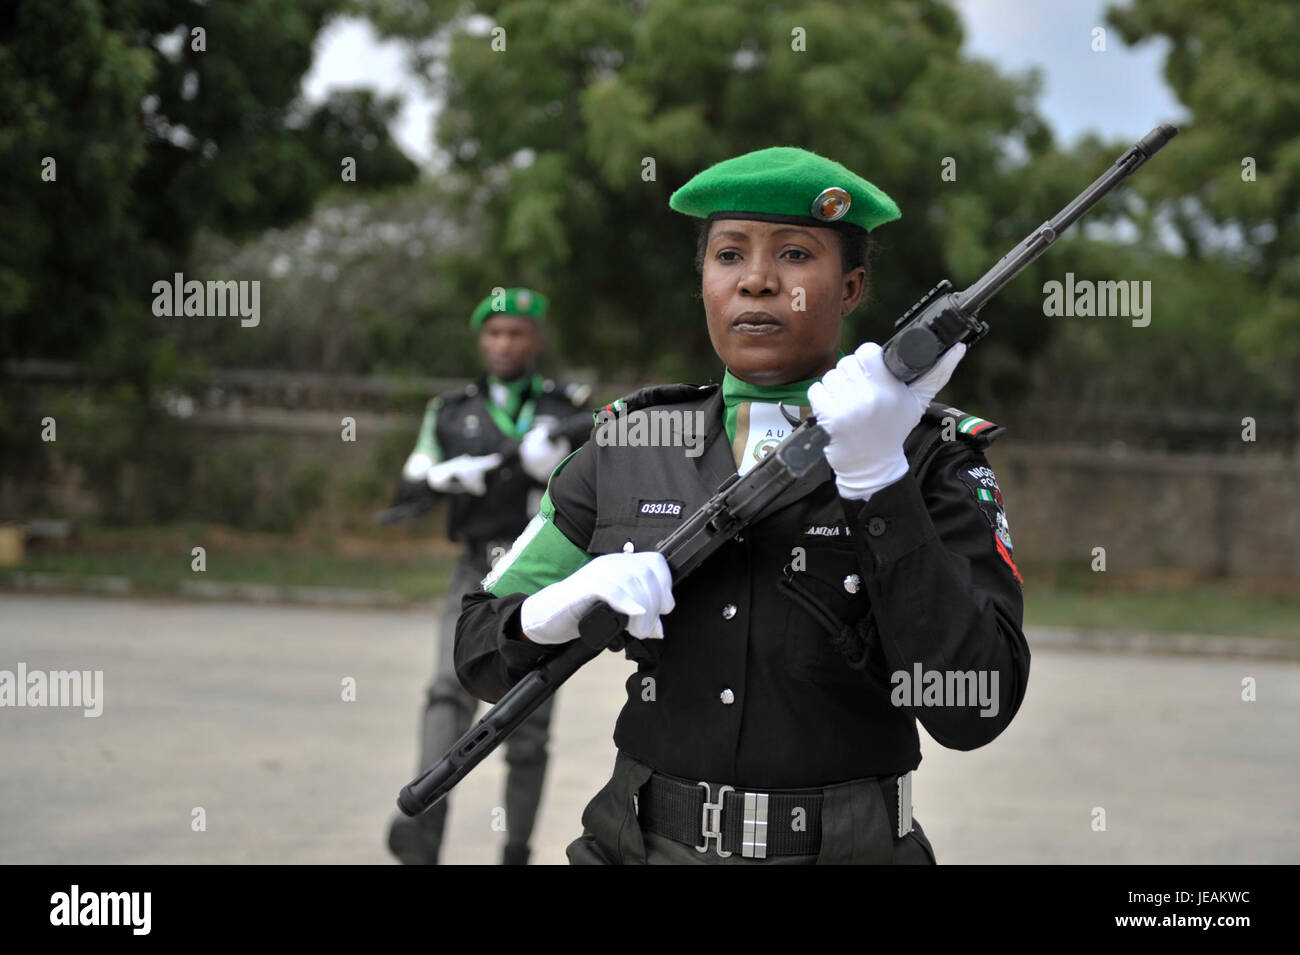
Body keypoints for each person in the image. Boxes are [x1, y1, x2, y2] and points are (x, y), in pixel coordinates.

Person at [454, 149, 1030, 864]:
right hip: (639, 845)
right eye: (729, 254)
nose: (757, 280)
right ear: (703, 282)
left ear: (851, 288)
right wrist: (556, 607)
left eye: (794, 253)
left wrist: (881, 480)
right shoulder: (629, 445)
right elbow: (479, 652)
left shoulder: (932, 456)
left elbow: (976, 708)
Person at [386, 287, 590, 865]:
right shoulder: (449, 411)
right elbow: (408, 485)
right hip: (476, 566)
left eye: (517, 332)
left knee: (530, 712)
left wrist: (557, 470)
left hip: (544, 576)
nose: (506, 343)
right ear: (481, 340)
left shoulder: (568, 407)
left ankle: (515, 851)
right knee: (446, 694)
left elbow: (602, 475)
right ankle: (422, 837)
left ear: (536, 340)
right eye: (495, 333)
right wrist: (441, 476)